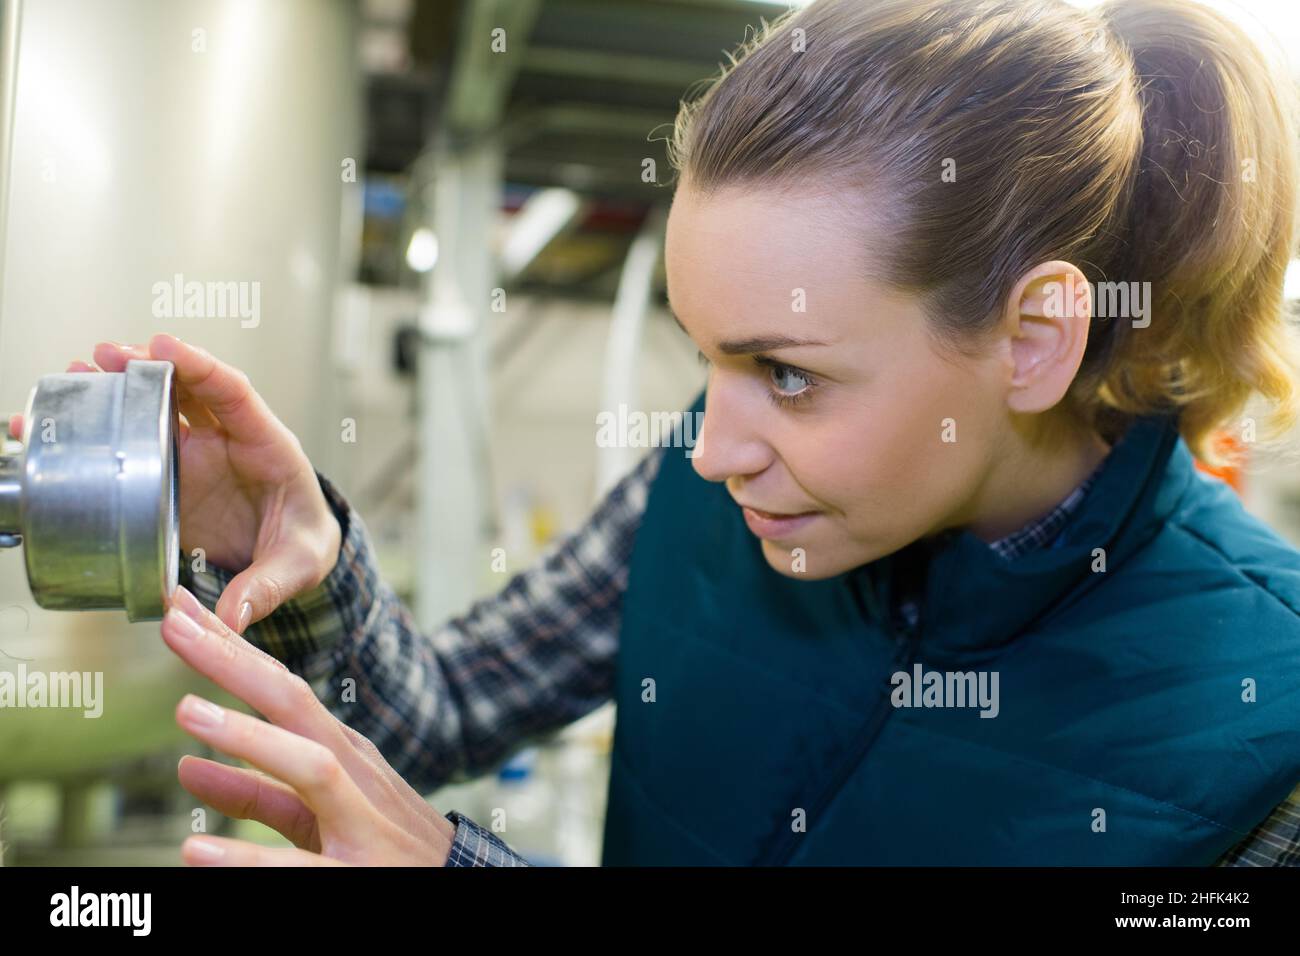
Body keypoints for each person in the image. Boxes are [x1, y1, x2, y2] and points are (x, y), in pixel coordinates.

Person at [29, 0, 1300, 865]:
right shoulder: (716, 486)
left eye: (786, 373)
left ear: (1033, 340)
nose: (708, 443)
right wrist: (292, 546)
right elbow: (443, 712)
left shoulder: (1260, 715)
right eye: (705, 355)